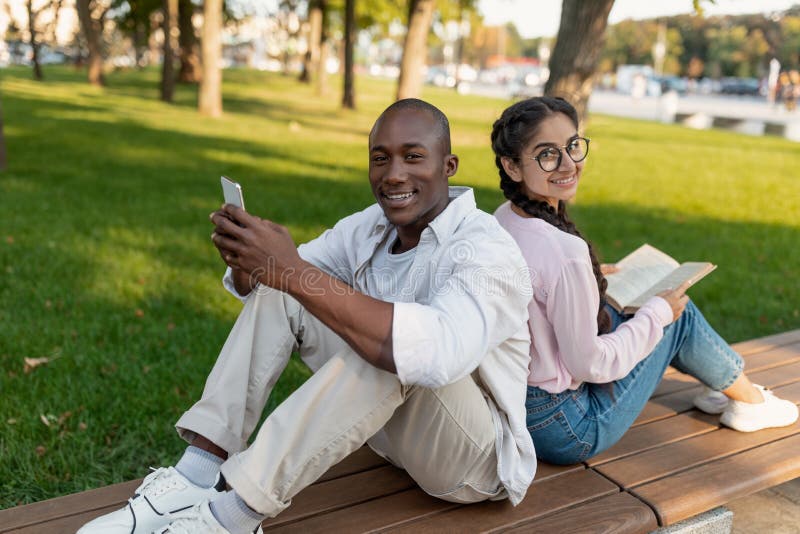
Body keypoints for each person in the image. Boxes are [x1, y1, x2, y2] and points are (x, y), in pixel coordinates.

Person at [78, 98, 536, 534]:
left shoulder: (486, 250)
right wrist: (249, 265)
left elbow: (435, 354)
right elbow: (280, 284)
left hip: (473, 465)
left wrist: (289, 269)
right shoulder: (370, 227)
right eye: (380, 158)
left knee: (393, 341)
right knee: (291, 288)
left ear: (448, 166)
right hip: (394, 443)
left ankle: (229, 517)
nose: (394, 175)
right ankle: (195, 474)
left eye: (413, 157)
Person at [490, 96, 798, 465]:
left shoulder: (505, 217)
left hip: (518, 401)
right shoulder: (563, 252)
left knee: (660, 307)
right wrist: (657, 314)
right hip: (566, 427)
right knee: (673, 313)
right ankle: (748, 400)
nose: (569, 163)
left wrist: (588, 278)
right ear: (512, 166)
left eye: (573, 146)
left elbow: (533, 284)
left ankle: (725, 385)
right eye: (547, 154)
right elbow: (589, 365)